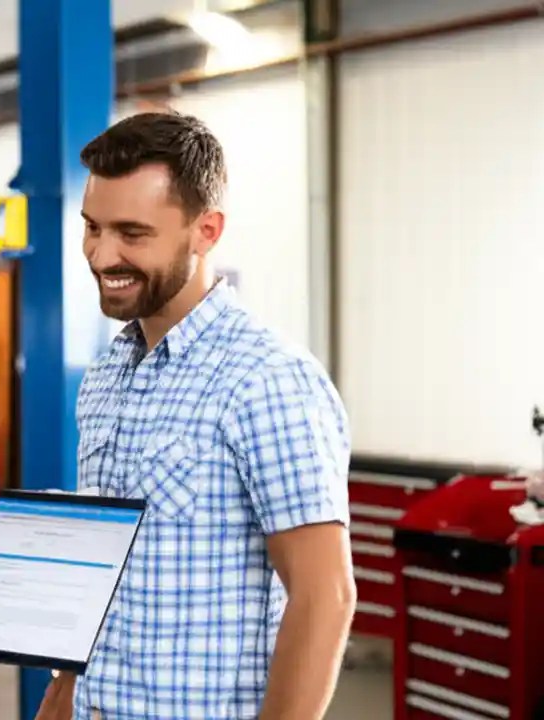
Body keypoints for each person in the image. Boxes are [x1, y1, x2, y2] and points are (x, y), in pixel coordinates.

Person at [35, 112, 355, 719]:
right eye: (92, 228)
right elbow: (108, 587)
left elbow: (325, 596)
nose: (103, 255)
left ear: (205, 230)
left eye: (133, 233)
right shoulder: (106, 378)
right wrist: (61, 699)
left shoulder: (264, 379)